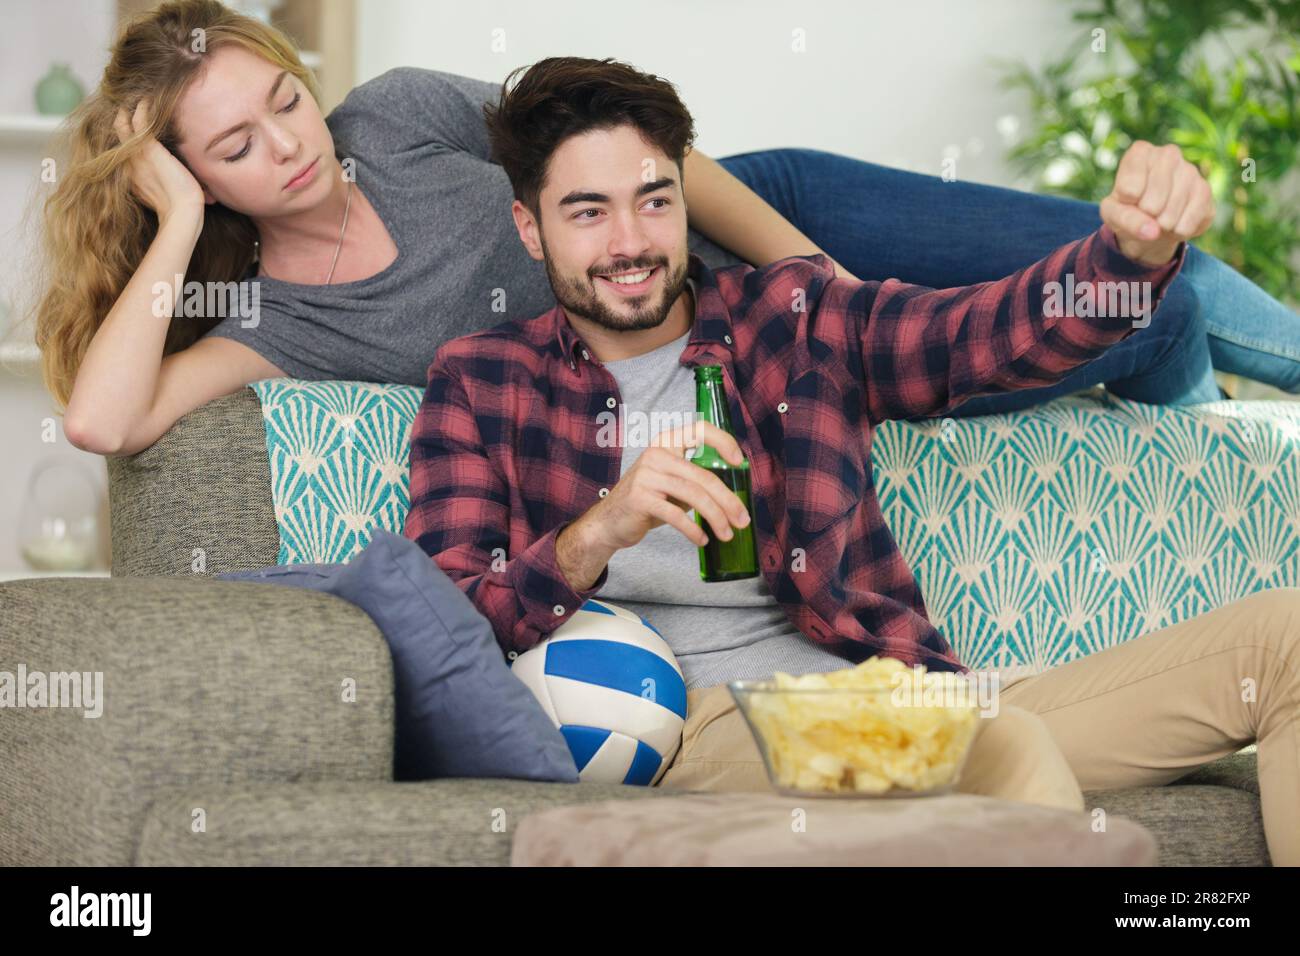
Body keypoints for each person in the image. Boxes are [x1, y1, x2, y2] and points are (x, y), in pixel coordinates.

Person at [402, 55, 1300, 866]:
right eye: (587, 213)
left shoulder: (795, 319)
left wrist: (1130, 256)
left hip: (912, 693)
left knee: (1285, 639)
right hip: (717, 730)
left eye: (654, 200)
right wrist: (600, 529)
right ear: (530, 228)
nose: (630, 242)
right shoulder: (483, 381)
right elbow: (453, 629)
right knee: (1000, 746)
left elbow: (983, 335)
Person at [34, 0, 1298, 457]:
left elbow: (626, 141)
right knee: (1150, 304)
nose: (288, 143)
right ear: (186, 179)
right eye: (233, 149)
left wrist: (818, 272)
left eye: (281, 100)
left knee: (1116, 228)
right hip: (733, 333)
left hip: (765, 205)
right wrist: (176, 225)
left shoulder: (398, 114)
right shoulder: (279, 321)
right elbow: (101, 420)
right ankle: (1195, 405)